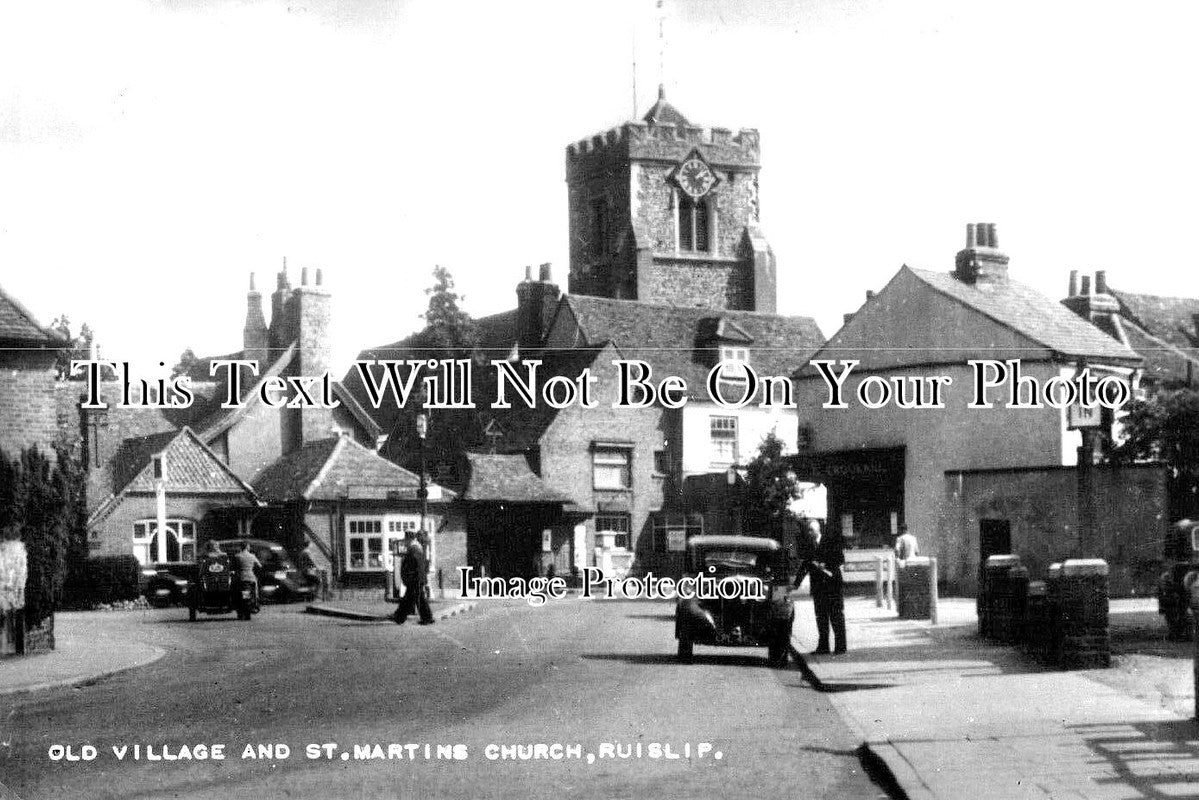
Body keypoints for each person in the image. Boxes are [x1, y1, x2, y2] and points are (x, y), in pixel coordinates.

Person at [802, 520, 846, 655]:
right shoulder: (809, 545)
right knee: (821, 617)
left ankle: (840, 647)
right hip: (818, 587)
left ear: (817, 530)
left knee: (836, 616)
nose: (809, 533)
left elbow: (840, 558)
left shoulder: (829, 541)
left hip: (832, 585)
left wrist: (825, 564)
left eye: (811, 530)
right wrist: (795, 584)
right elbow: (805, 565)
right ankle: (823, 647)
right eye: (808, 530)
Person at [394, 534, 434, 625]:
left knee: (416, 599)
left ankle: (426, 618)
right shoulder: (414, 548)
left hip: (415, 579)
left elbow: (415, 565)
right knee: (411, 598)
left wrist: (410, 576)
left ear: (409, 539)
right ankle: (400, 617)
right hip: (415, 578)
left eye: (406, 540)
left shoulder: (414, 549)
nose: (405, 542)